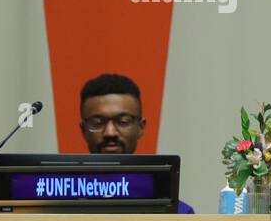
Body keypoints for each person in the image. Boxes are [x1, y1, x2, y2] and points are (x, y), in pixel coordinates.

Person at [79, 73, 194, 213]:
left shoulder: (177, 214)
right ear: (83, 130)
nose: (110, 132)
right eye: (97, 123)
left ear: (141, 127)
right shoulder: (56, 201)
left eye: (123, 121)